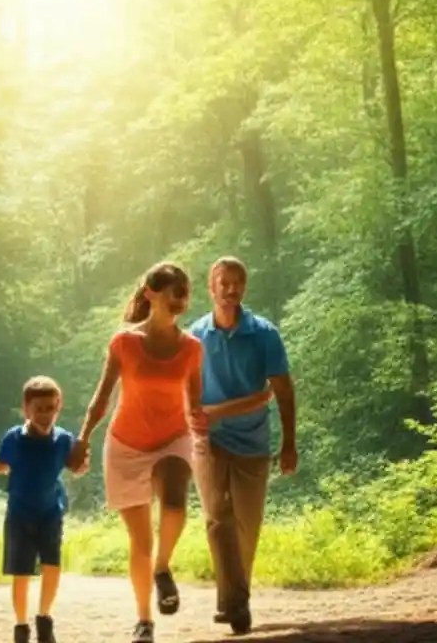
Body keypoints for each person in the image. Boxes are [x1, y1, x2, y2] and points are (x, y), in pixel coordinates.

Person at [72, 262, 271, 643]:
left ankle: (162, 568)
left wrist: (224, 413)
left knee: (176, 506)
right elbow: (102, 398)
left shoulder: (191, 348)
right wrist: (82, 439)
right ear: (150, 293)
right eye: (173, 292)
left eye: (184, 293)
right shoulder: (124, 343)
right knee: (140, 540)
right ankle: (145, 620)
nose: (180, 300)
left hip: (172, 439)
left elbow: (194, 404)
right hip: (126, 444)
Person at [189, 256, 297, 635]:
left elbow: (281, 391)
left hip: (252, 441)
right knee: (218, 515)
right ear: (211, 286)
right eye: (224, 282)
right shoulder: (195, 336)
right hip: (208, 441)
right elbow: (183, 391)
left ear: (244, 288)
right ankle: (234, 604)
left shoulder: (264, 334)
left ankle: (237, 595)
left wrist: (289, 443)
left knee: (246, 526)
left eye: (238, 283)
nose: (232, 289)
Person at [0, 375, 85, 643]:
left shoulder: (64, 440)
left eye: (51, 408)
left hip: (51, 511)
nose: (45, 414)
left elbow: (76, 466)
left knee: (52, 565)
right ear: (26, 409)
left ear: (59, 406)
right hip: (20, 513)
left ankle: (44, 618)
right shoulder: (14, 439)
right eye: (39, 409)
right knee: (22, 572)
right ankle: (21, 626)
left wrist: (83, 463)